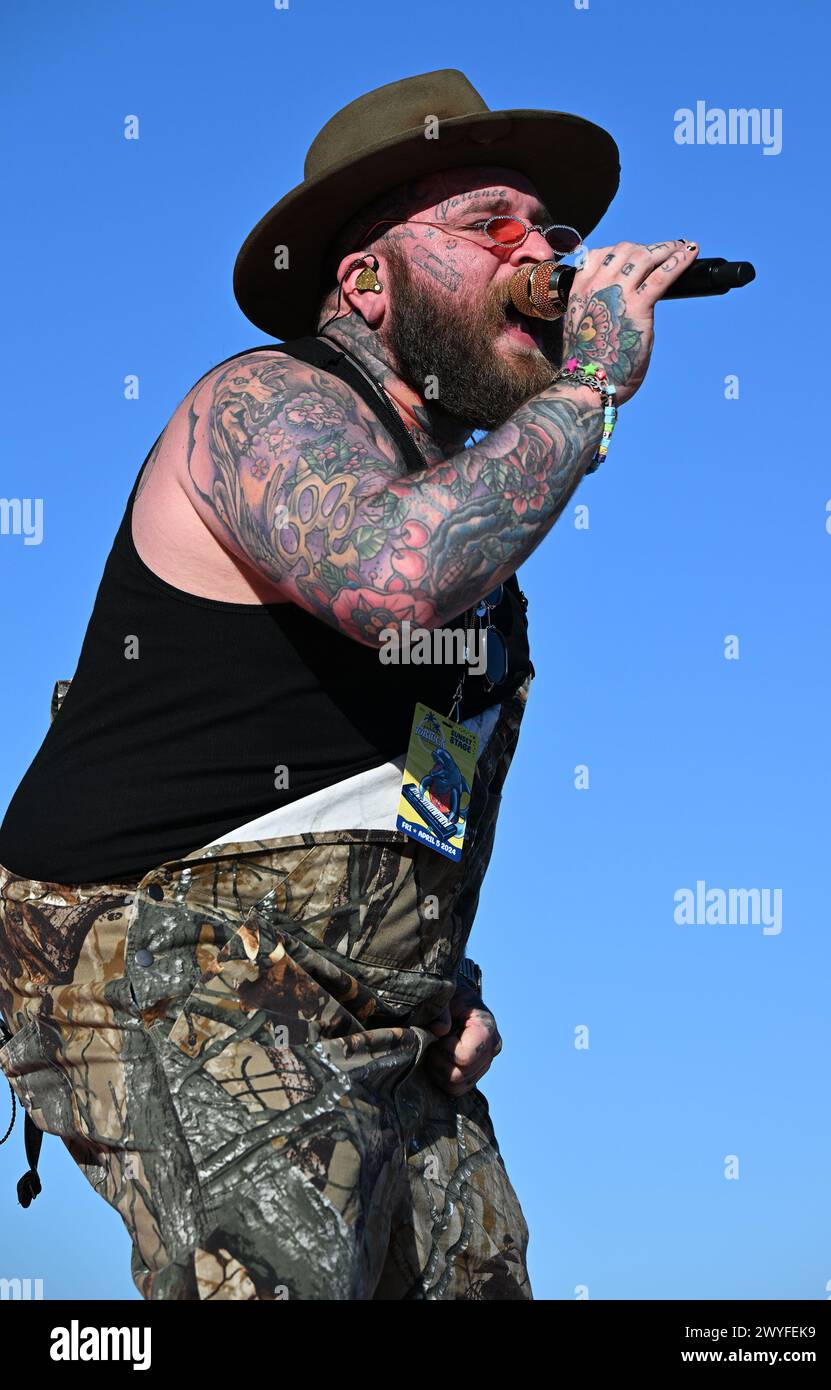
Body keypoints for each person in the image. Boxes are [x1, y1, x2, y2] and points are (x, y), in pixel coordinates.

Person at [0, 68, 697, 1300]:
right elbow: (392, 574)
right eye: (493, 226)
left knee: (474, 1274)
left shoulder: (479, 534)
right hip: (159, 948)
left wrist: (445, 976)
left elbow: (407, 790)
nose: (541, 254)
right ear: (368, 280)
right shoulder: (263, 405)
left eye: (557, 235)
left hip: (364, 996)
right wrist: (589, 391)